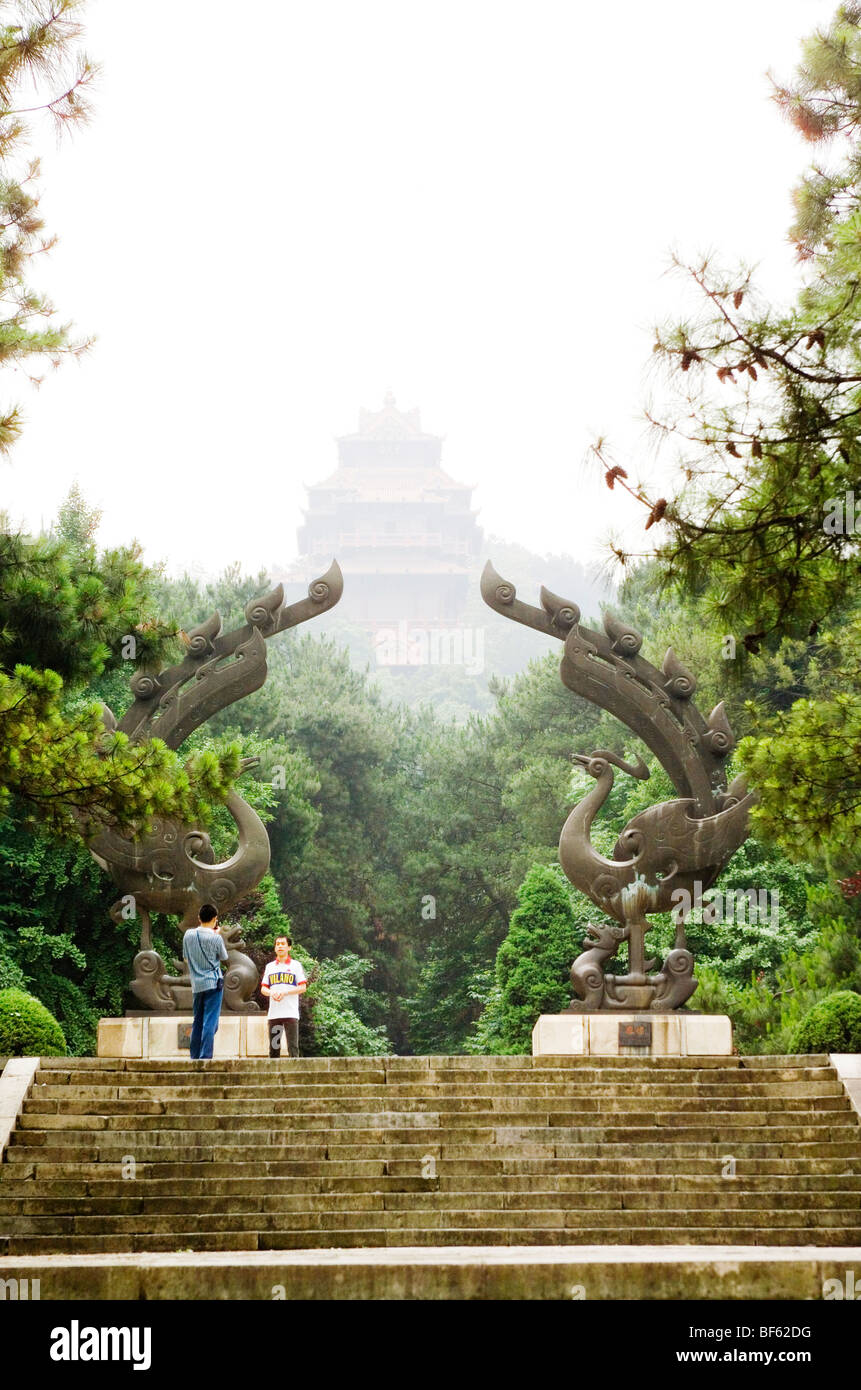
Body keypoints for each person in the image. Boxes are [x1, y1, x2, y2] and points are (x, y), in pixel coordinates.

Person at [182, 903, 228, 1061]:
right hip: (213, 984)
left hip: (197, 985)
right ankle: (205, 1056)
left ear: (199, 918)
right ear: (215, 919)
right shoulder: (216, 938)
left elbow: (186, 958)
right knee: (210, 1021)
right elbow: (224, 957)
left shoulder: (188, 935)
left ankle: (194, 1056)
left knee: (198, 1020)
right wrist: (217, 934)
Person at [261, 935, 307, 1058]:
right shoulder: (270, 967)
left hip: (290, 1014)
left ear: (289, 947)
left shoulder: (296, 965)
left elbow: (303, 987)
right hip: (274, 1014)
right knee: (274, 1048)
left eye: (283, 944)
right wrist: (272, 993)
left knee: (293, 1048)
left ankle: (295, 1076)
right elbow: (263, 988)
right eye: (277, 944)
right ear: (275, 948)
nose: (280, 946)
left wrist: (285, 993)